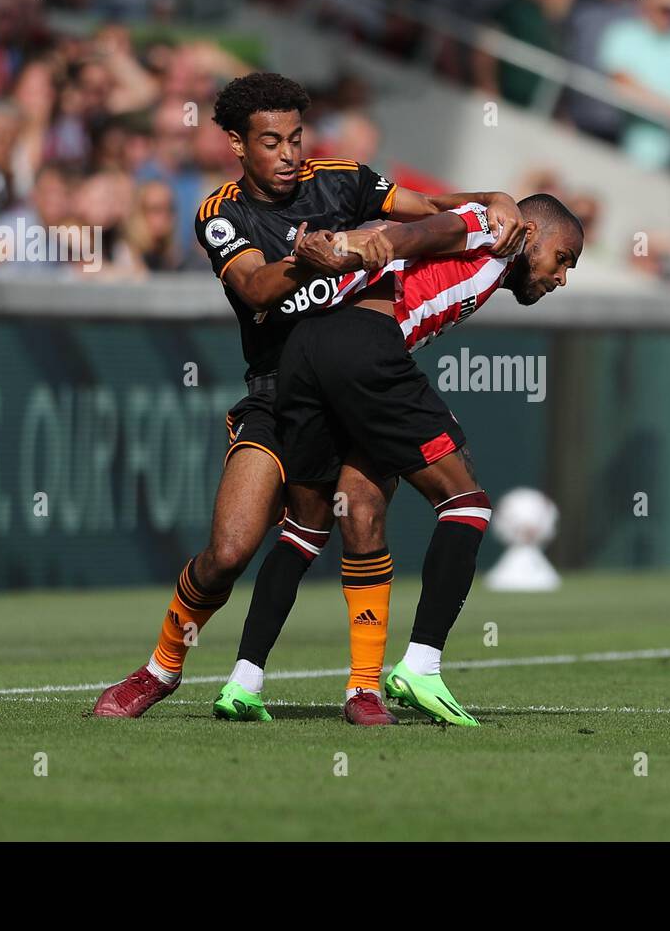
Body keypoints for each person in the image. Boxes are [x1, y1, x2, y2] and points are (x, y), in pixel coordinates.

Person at [93, 72, 525, 722]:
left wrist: (493, 198)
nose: (291, 153)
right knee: (230, 550)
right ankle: (161, 669)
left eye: (297, 137)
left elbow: (426, 207)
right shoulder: (220, 213)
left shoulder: (343, 178)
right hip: (276, 391)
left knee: (365, 519)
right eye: (272, 141)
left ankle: (364, 688)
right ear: (238, 144)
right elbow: (257, 288)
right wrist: (313, 258)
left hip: (348, 379)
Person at [214, 193, 582, 726]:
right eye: (563, 258)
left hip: (309, 353)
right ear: (533, 233)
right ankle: (421, 665)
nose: (561, 277)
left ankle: (243, 682)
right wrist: (357, 245)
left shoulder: (491, 250)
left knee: (313, 525)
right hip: (363, 347)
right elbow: (410, 232)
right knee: (467, 505)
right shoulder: (492, 228)